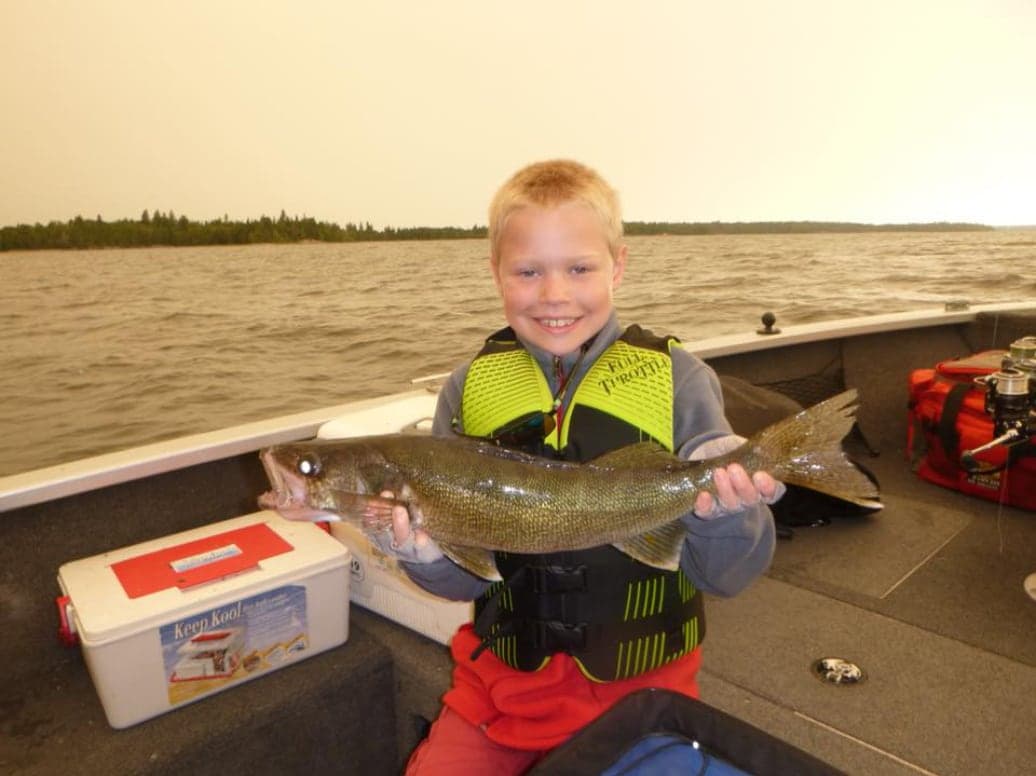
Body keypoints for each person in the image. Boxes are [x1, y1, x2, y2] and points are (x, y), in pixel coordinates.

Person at [370, 159, 781, 774]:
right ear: (496, 273)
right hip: (496, 697)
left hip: (642, 700)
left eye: (580, 268)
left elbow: (727, 576)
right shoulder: (464, 390)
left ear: (618, 266)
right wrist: (421, 554)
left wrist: (726, 509)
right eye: (528, 271)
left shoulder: (682, 382)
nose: (554, 294)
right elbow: (467, 581)